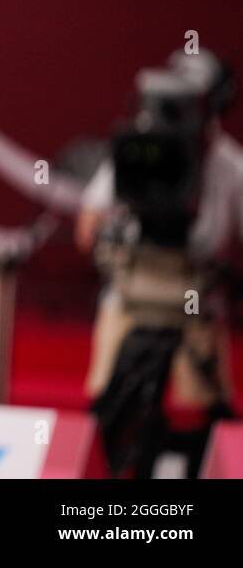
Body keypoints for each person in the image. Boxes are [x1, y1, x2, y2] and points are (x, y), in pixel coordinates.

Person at [75, 48, 240, 477]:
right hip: (131, 298)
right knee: (108, 415)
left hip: (196, 303)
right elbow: (87, 226)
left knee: (206, 419)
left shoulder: (231, 166)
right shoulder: (137, 147)